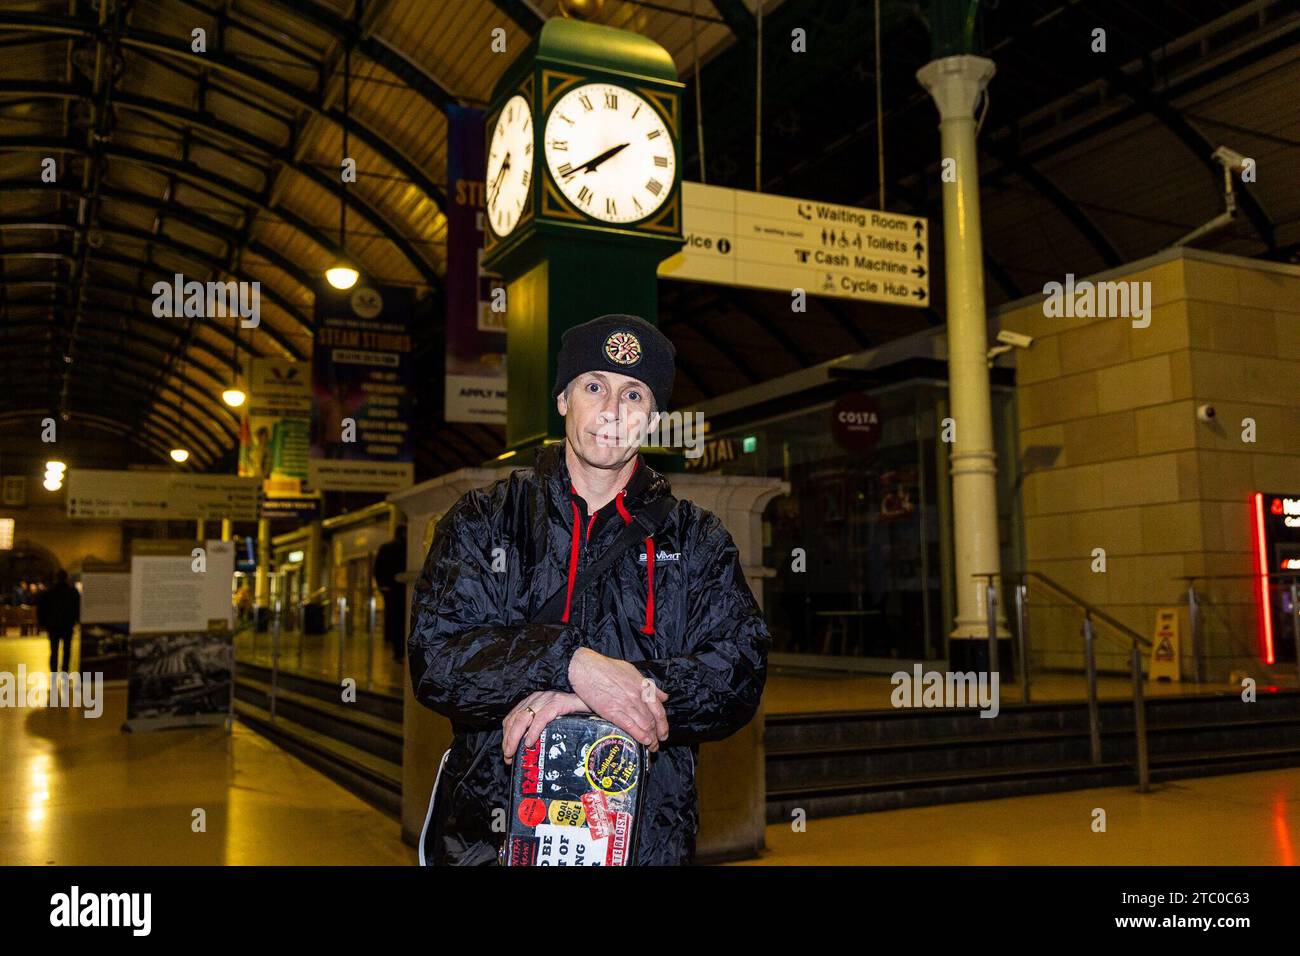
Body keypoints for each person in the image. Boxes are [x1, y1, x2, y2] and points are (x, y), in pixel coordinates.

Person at [409, 314, 770, 866]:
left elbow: (737, 674)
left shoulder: (696, 539)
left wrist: (600, 694)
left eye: (634, 394)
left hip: (645, 843)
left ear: (652, 416)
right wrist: (571, 663)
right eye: (594, 386)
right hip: (493, 843)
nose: (612, 411)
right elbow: (437, 658)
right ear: (562, 400)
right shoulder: (485, 520)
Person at [372, 528, 408, 662]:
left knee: (394, 618)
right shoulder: (407, 547)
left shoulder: (387, 548)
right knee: (401, 620)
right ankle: (399, 650)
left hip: (391, 589)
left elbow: (377, 569)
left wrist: (383, 586)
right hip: (401, 589)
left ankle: (395, 648)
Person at [37, 570, 80, 673]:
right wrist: (76, 621)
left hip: (53, 625)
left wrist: (43, 623)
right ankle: (65, 670)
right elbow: (77, 608)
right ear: (66, 578)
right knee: (67, 650)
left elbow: (42, 609)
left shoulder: (49, 592)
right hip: (67, 625)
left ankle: (54, 672)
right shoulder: (72, 592)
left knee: (54, 650)